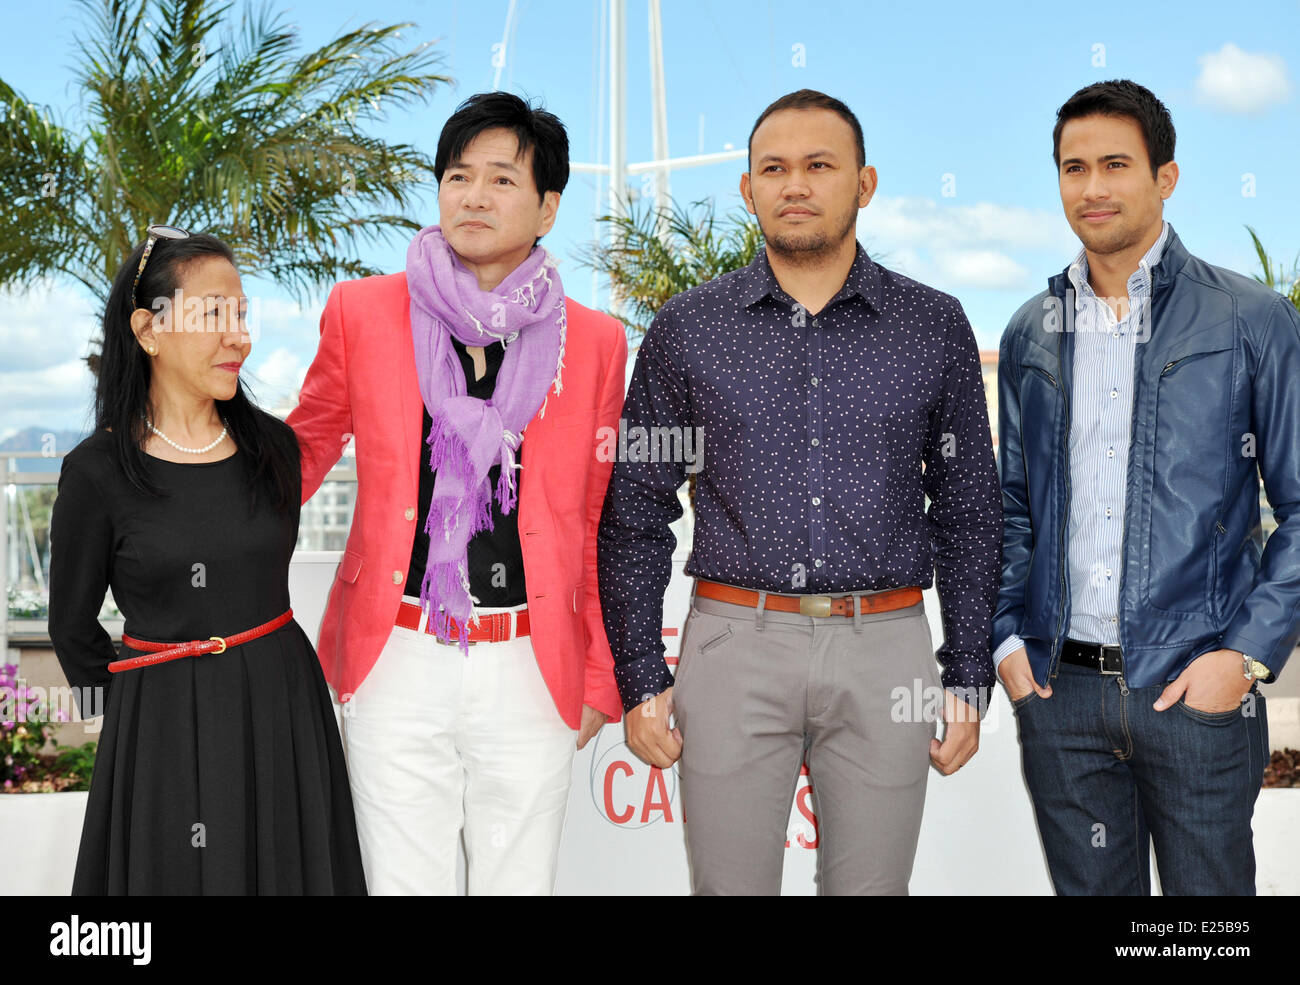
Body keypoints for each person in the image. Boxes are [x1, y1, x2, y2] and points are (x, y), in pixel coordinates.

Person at [597, 89, 1002, 895]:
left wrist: (965, 671)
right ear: (748, 190)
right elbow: (637, 507)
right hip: (730, 647)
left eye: (820, 165)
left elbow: (967, 507)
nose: (795, 185)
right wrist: (642, 674)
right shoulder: (686, 328)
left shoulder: (934, 325)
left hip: (887, 649)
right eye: (774, 169)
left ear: (865, 182)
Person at [286, 91, 627, 895]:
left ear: (547, 207)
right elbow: (299, 455)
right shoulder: (363, 311)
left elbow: (600, 518)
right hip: (396, 652)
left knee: (519, 883)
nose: (473, 195)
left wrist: (601, 675)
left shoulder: (599, 339)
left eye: (501, 180)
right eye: (456, 175)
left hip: (532, 658)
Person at [994, 79, 1300, 895]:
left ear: (1165, 177)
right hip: (1063, 698)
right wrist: (1007, 647)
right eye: (1073, 167)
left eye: (1115, 165)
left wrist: (1246, 657)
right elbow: (1013, 506)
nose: (1092, 188)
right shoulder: (1032, 329)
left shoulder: (1249, 319)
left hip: (1196, 692)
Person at [47, 227, 367, 895]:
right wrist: (132, 721)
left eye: (242, 313)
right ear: (149, 329)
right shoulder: (96, 471)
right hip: (155, 723)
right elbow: (71, 627)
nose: (240, 336)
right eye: (215, 314)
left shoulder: (274, 450)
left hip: (280, 708)